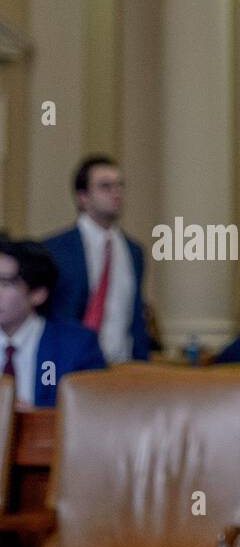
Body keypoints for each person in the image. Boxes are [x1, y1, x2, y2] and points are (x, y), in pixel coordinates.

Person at [43, 156, 151, 363]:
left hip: (122, 365)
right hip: (68, 364)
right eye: (105, 186)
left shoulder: (134, 251)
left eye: (120, 185)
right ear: (82, 196)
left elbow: (134, 314)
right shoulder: (55, 249)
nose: (116, 193)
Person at [0, 238, 105, 406]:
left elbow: (92, 414)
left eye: (5, 283)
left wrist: (32, 419)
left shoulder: (77, 346)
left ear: (38, 294)